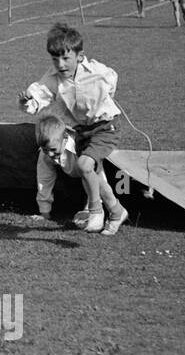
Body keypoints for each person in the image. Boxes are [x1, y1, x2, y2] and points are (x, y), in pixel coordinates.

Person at [19, 22, 128, 235]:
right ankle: (117, 211)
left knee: (84, 165)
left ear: (79, 56)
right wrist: (26, 103)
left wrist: (104, 102)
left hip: (106, 126)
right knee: (91, 173)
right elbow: (38, 96)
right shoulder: (52, 78)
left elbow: (112, 79)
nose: (60, 64)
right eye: (55, 58)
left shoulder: (97, 71)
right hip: (81, 131)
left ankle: (95, 211)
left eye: (65, 58)